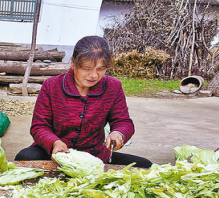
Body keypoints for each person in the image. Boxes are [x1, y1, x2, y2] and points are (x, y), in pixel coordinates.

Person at [15, 36, 152, 168]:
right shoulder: (52, 86)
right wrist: (55, 142)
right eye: (87, 68)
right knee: (25, 157)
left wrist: (119, 133)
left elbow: (123, 122)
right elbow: (39, 126)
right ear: (73, 63)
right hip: (54, 153)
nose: (94, 75)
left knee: (145, 166)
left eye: (101, 68)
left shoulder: (113, 87)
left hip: (94, 156)